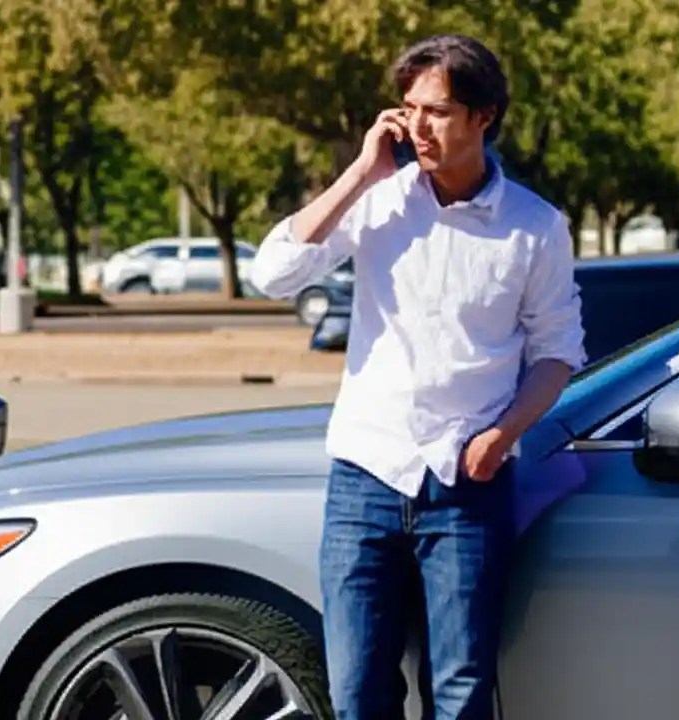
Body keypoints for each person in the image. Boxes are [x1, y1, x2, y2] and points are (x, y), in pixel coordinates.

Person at [249, 33, 586, 720]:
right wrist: (358, 176)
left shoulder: (535, 228)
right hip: (365, 479)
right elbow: (272, 275)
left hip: (469, 485)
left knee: (460, 695)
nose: (416, 127)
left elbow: (558, 352)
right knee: (357, 695)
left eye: (436, 111)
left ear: (483, 116)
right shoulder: (379, 201)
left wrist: (504, 434)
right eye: (408, 109)